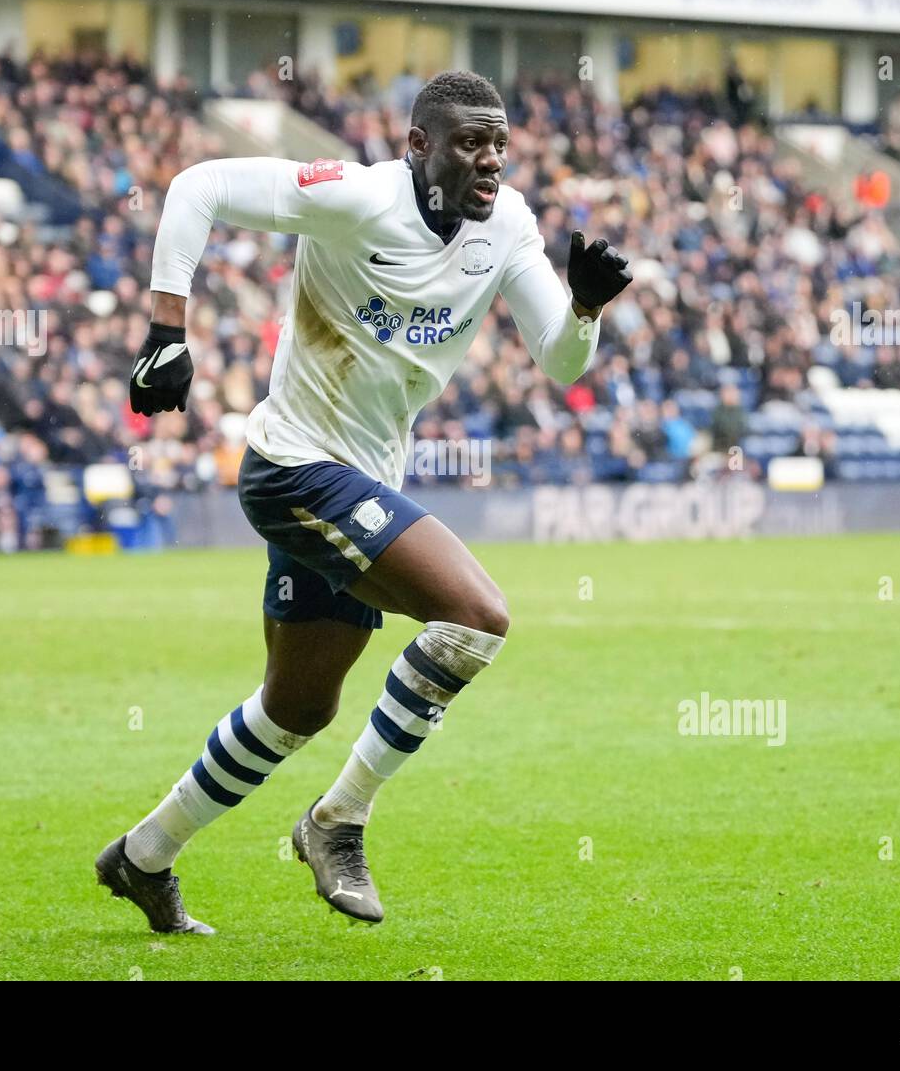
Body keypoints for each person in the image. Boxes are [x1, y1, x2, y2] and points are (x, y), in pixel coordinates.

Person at [96, 70, 632, 931]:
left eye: (498, 141)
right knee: (475, 617)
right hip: (294, 469)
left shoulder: (510, 227)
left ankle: (143, 857)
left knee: (298, 706)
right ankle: (336, 823)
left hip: (365, 482)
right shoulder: (353, 197)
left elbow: (562, 361)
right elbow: (198, 187)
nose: (489, 158)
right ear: (418, 147)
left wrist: (584, 308)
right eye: (467, 142)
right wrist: (167, 330)